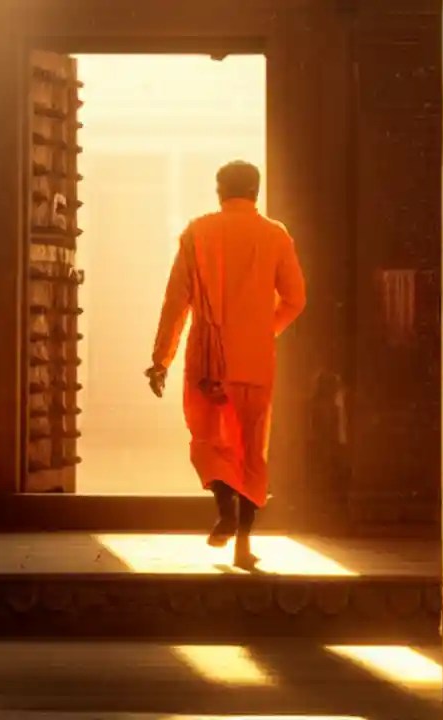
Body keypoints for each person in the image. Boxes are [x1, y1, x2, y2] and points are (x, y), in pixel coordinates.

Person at [145, 161, 307, 570]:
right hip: (254, 361)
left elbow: (175, 303)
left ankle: (224, 510)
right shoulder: (275, 235)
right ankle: (244, 543)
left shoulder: (197, 233)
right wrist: (262, 329)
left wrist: (161, 359)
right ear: (256, 190)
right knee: (253, 451)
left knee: (210, 441)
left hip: (208, 362)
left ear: (220, 190)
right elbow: (295, 299)